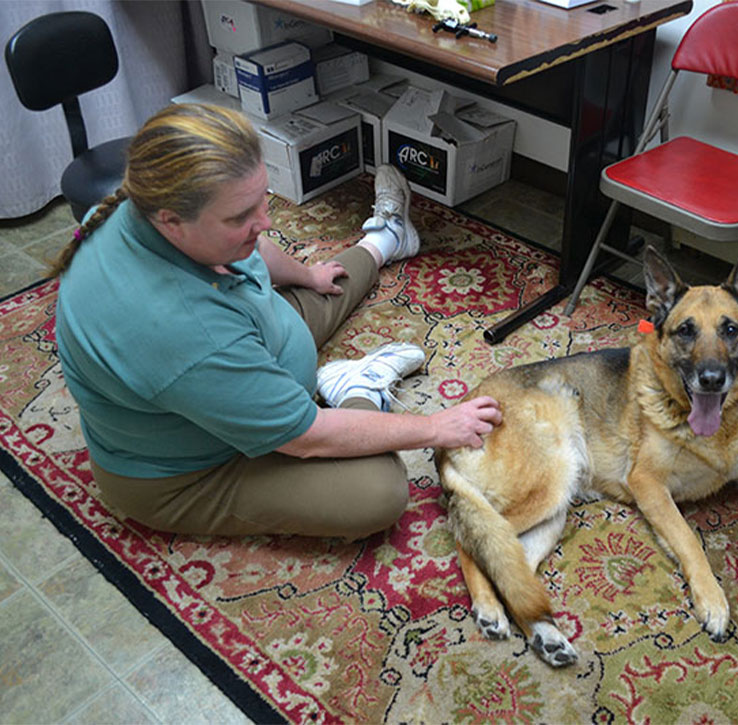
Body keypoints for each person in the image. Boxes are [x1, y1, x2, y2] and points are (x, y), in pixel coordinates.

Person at [54, 103, 501, 540]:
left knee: (330, 282)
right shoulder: (180, 330)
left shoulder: (147, 208)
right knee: (378, 493)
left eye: (262, 202)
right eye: (241, 217)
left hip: (238, 343)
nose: (265, 221)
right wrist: (437, 427)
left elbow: (255, 249)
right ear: (172, 222)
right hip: (192, 471)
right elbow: (305, 437)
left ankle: (386, 240)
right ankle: (358, 388)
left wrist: (309, 276)